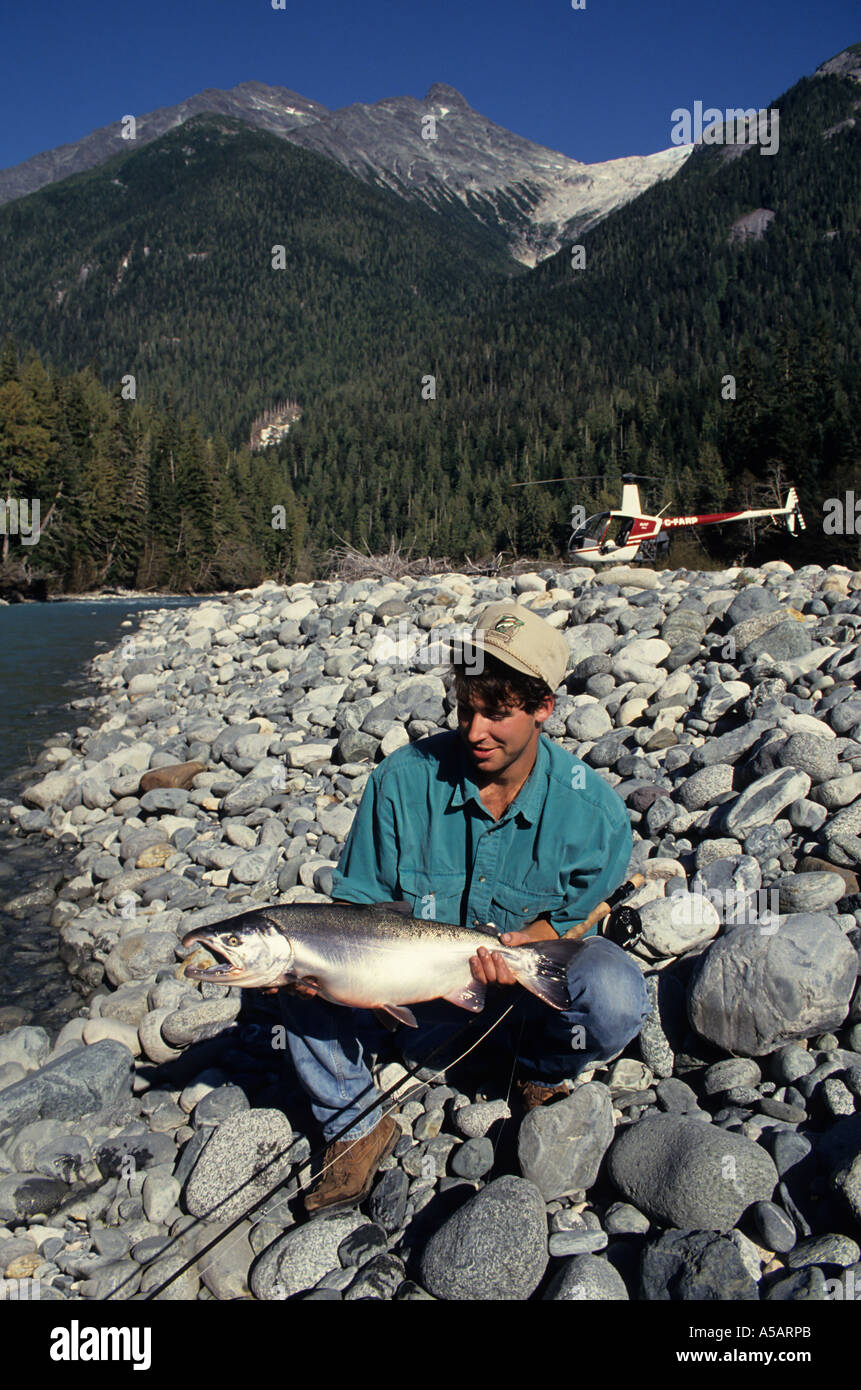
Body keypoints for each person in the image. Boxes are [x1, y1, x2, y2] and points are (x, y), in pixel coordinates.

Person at [278, 600, 650, 1214]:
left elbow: (574, 918)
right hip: (411, 994)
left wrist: (526, 946)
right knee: (291, 972)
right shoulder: (401, 781)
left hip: (523, 995)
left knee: (613, 995)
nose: (475, 732)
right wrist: (314, 969)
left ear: (543, 709)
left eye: (498, 715)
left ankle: (540, 1069)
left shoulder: (594, 813)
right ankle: (356, 1128)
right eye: (466, 710)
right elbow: (358, 907)